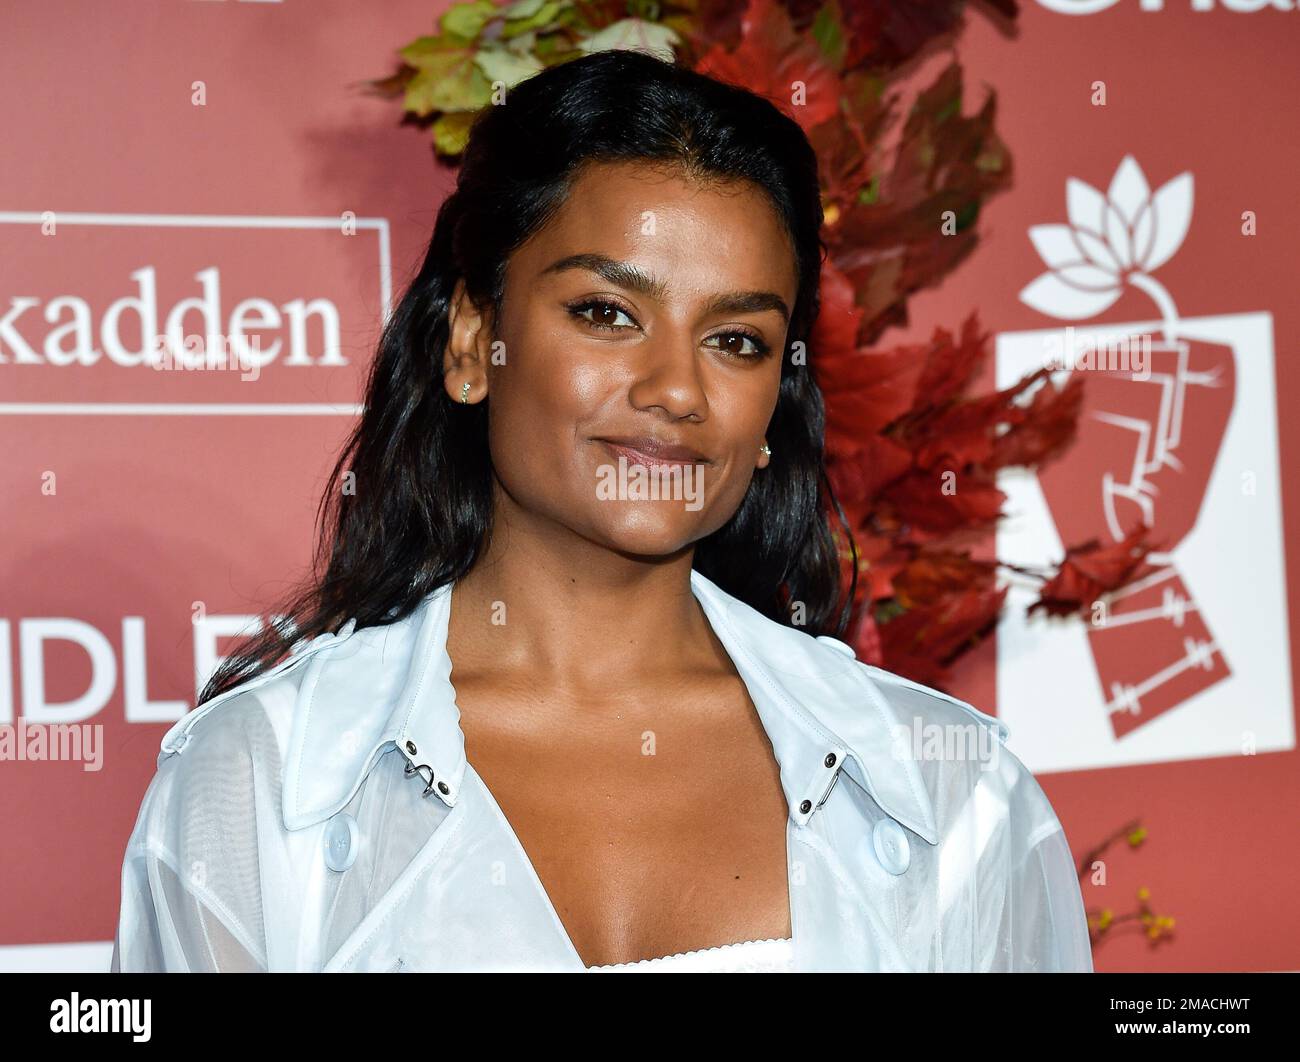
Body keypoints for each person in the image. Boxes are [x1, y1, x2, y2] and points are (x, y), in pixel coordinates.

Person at [109, 48, 1093, 973]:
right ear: (468, 342)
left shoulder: (948, 797)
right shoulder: (261, 787)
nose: (676, 390)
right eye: (605, 314)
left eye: (737, 340)